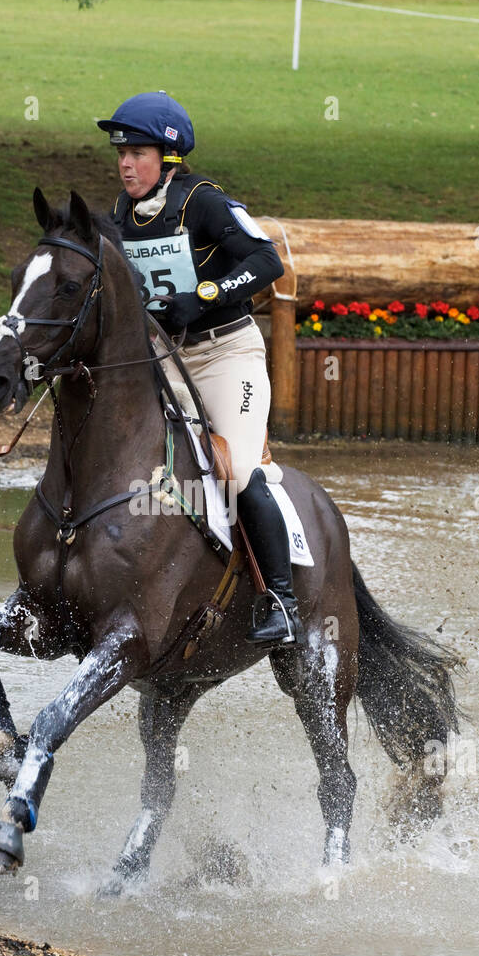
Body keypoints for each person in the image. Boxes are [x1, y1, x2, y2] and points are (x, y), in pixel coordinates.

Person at [96, 90, 301, 645]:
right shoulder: (120, 213)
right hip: (165, 357)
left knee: (234, 472)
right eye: (120, 152)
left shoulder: (204, 201)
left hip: (225, 353)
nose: (125, 163)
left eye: (136, 152)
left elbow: (267, 260)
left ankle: (281, 600)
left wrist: (206, 294)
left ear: (167, 155)